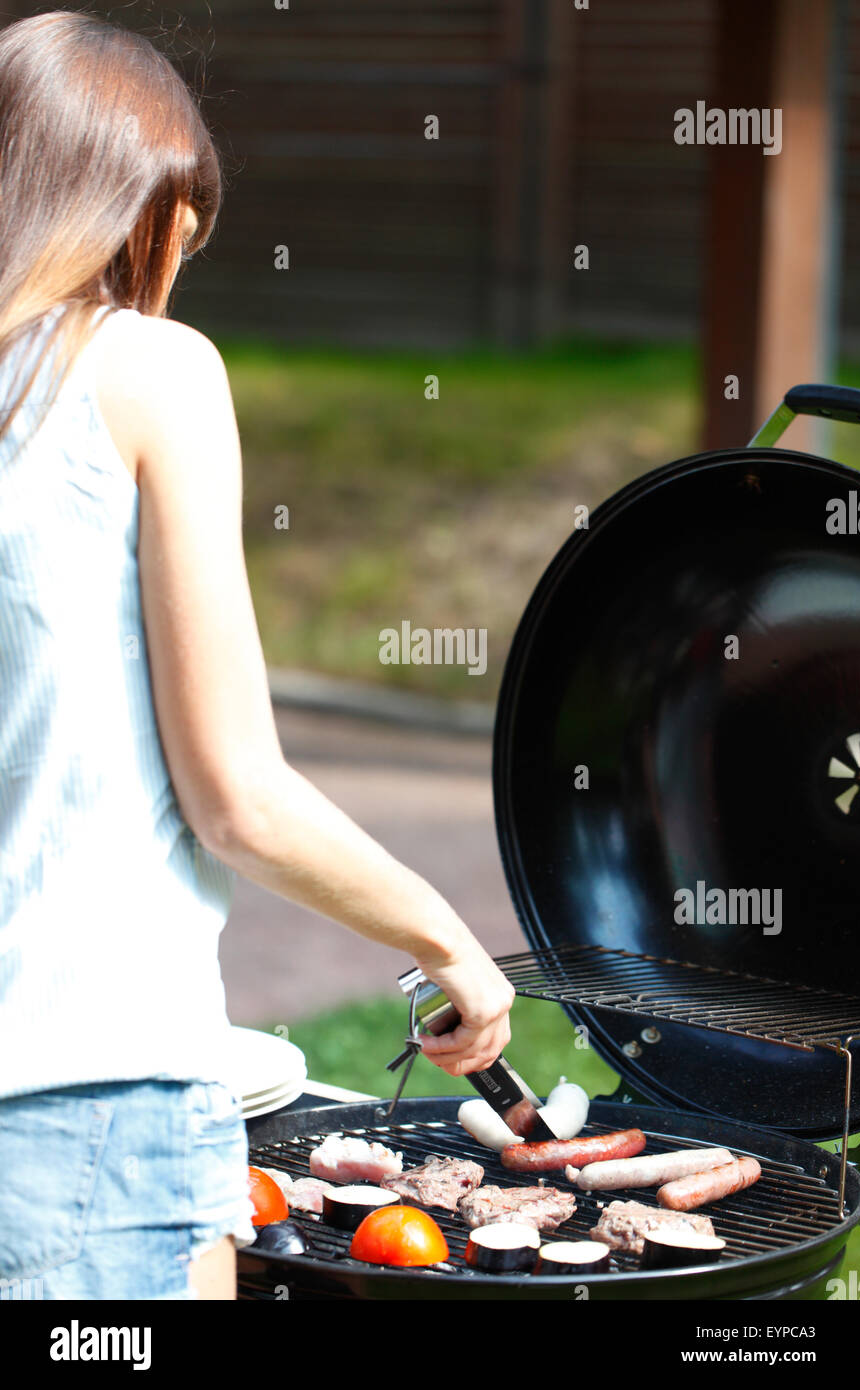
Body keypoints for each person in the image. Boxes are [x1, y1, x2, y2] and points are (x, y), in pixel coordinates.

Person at [0, 10, 514, 1300]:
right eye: (180, 240)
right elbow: (237, 794)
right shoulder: (148, 369)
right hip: (85, 1108)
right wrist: (449, 945)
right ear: (140, 210)